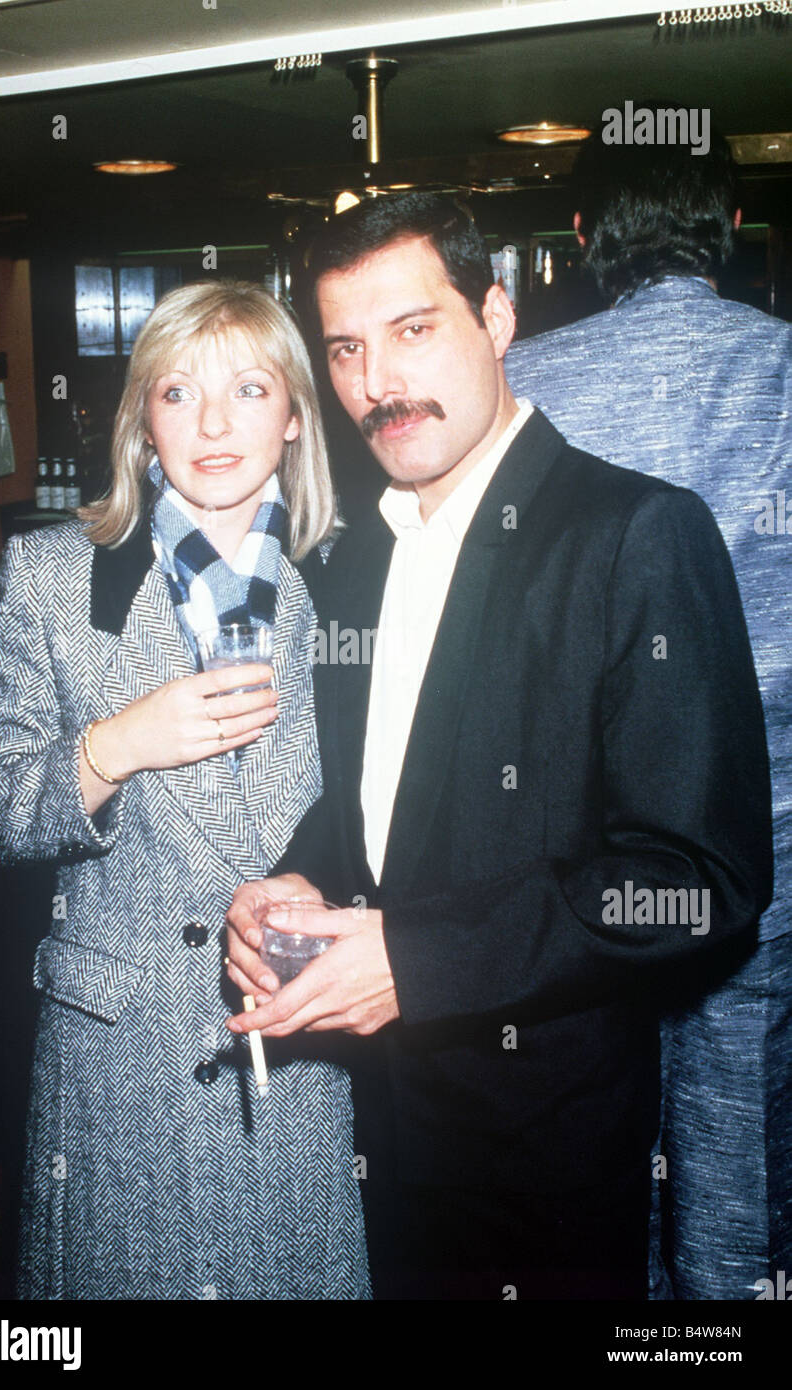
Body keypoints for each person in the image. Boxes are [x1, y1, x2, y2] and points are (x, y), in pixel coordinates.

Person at [223, 191, 773, 1301]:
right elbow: (377, 801)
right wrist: (298, 876)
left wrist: (419, 961)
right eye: (345, 349)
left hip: (544, 1152)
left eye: (413, 330)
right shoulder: (354, 559)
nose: (377, 382)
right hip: (372, 1125)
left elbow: (702, 879)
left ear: (498, 316)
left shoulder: (638, 532)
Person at [0, 280, 370, 1300]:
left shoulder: (361, 584)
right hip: (117, 1070)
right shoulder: (54, 577)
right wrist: (111, 746)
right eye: (178, 393)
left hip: (294, 1054)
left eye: (249, 388)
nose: (215, 423)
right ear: (143, 422)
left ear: (297, 418)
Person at [505, 114, 792, 1300]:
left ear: (578, 237)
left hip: (574, 868)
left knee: (582, 1166)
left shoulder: (519, 387)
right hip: (765, 846)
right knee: (736, 1170)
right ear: (729, 225)